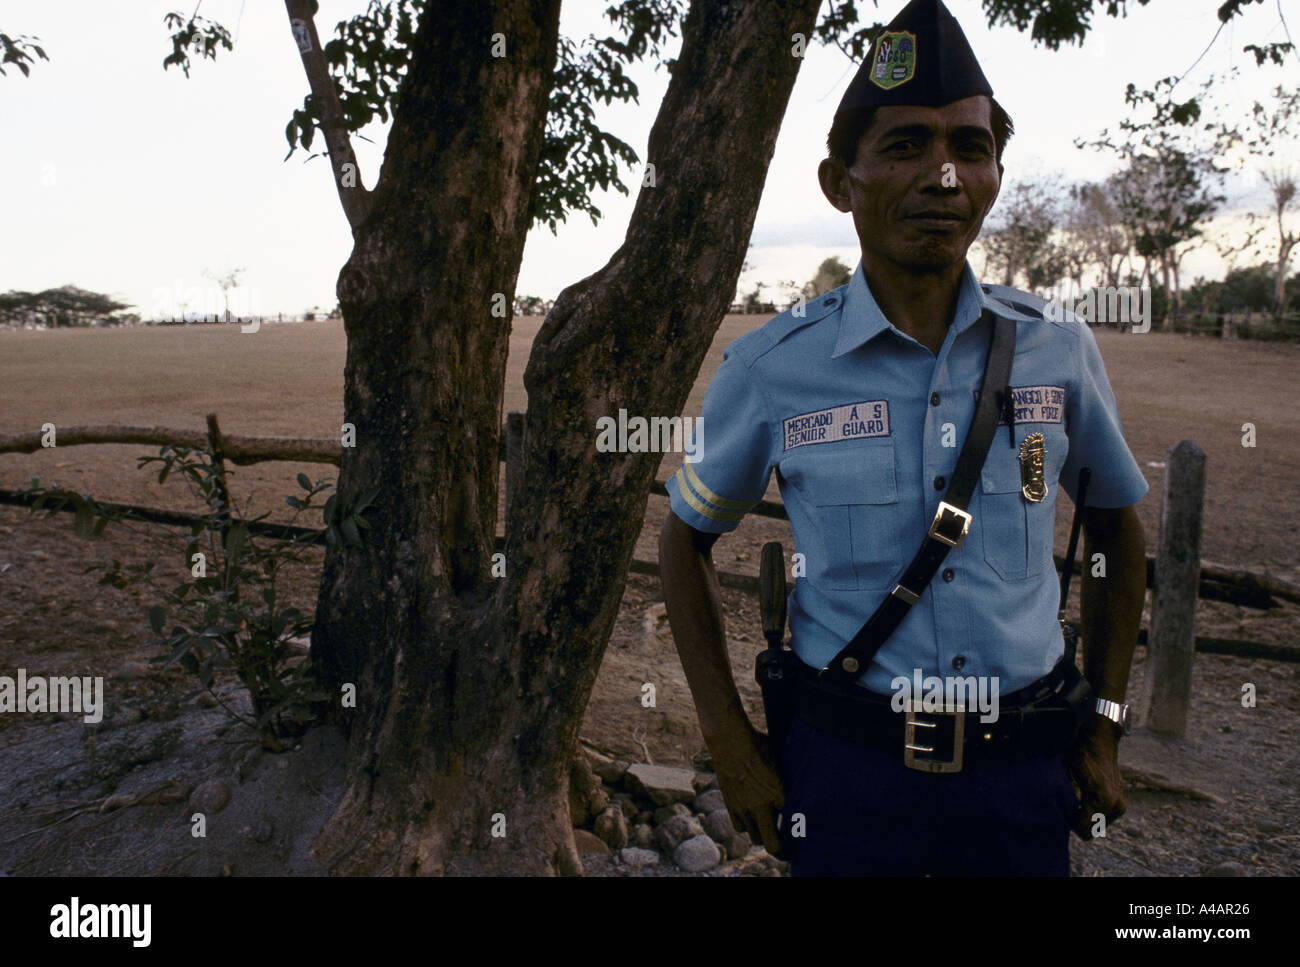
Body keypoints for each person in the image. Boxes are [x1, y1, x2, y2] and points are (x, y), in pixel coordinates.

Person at [658, 0, 1148, 876]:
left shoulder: (1058, 350)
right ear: (839, 183)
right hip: (847, 779)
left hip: (1022, 778)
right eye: (906, 145)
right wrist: (730, 743)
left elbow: (1115, 523)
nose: (944, 175)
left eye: (970, 147)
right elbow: (683, 539)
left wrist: (1105, 725)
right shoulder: (772, 369)